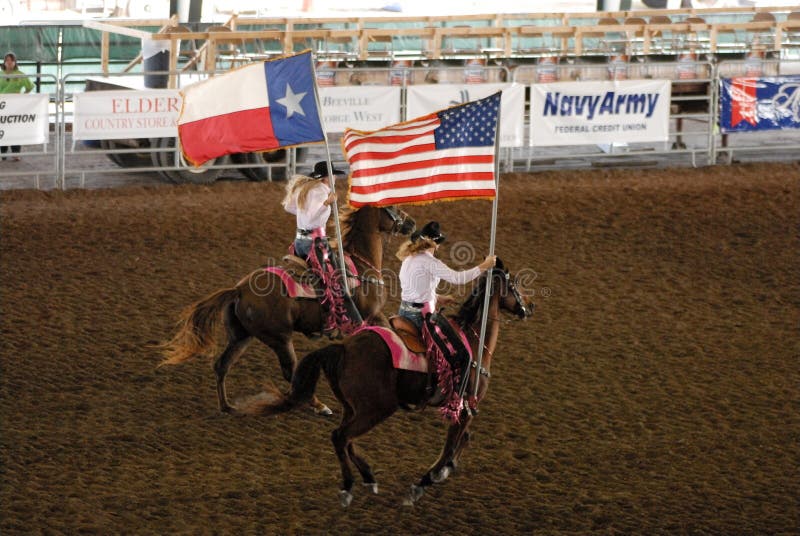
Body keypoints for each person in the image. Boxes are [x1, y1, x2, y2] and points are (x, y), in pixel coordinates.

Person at [281, 160, 362, 337]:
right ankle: (334, 320)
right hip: (314, 243)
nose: (335, 178)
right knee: (335, 279)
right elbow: (311, 220)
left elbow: (289, 207)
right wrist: (326, 203)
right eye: (333, 175)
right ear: (327, 177)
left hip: (299, 242)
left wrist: (302, 213)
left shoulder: (306, 188)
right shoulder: (320, 192)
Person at [396, 221, 495, 329]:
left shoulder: (408, 259)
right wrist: (485, 265)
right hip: (420, 316)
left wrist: (437, 297)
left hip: (403, 312)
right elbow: (457, 278)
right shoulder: (431, 263)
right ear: (437, 245)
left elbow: (415, 288)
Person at [0, 52, 34, 162]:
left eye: (11, 60)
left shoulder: (19, 74)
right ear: (4, 62)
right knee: (3, 128)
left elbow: (30, 86)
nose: (9, 62)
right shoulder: (1, 74)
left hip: (16, 107)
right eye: (7, 60)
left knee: (15, 129)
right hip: (3, 106)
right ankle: (3, 153)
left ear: (15, 62)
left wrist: (23, 97)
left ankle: (16, 153)